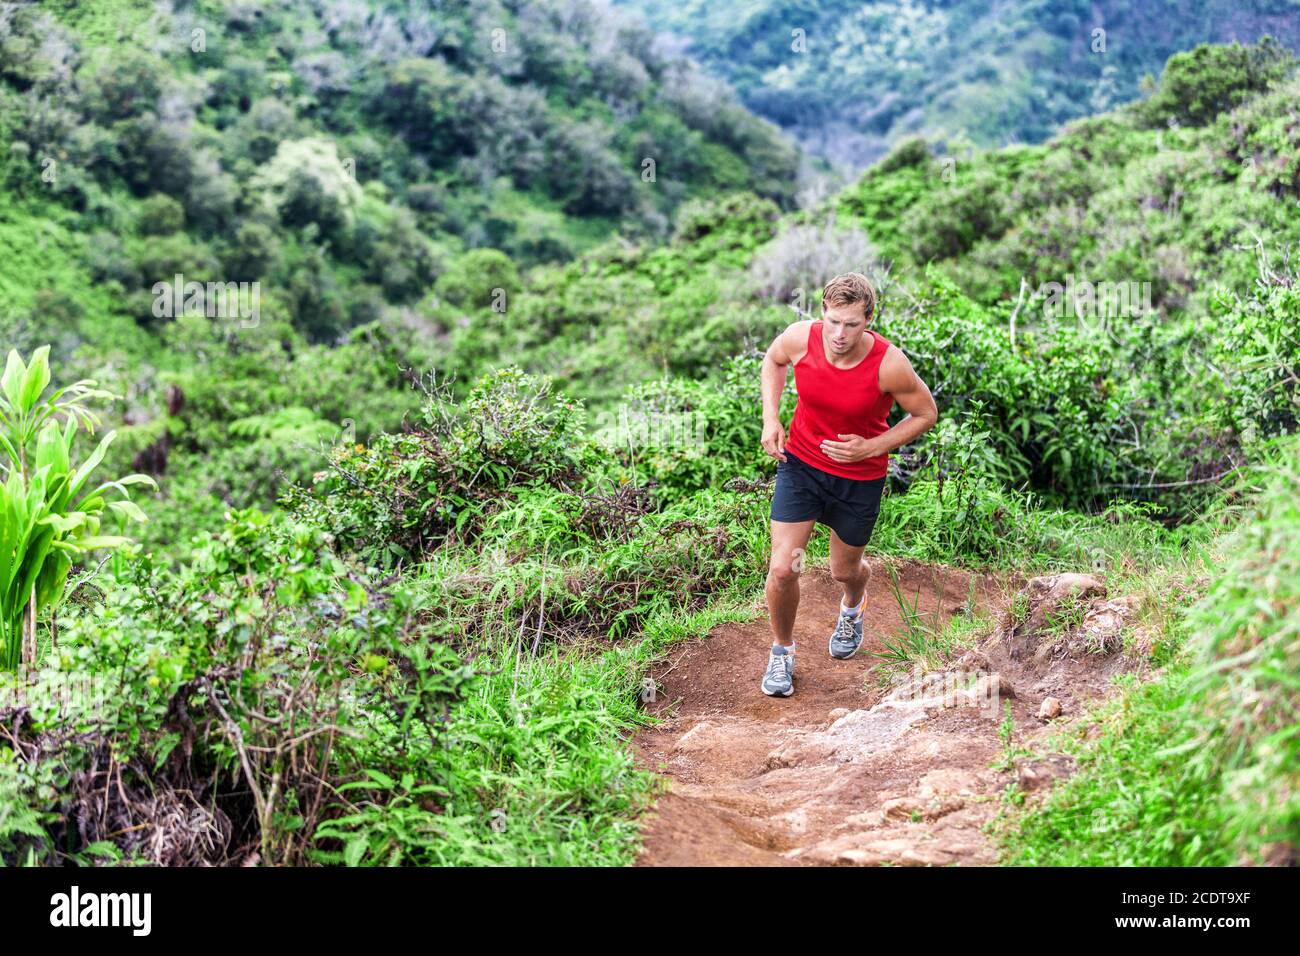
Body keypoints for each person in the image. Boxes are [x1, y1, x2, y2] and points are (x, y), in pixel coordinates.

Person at [758, 272, 938, 697]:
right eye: (834, 321)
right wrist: (771, 417)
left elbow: (926, 413)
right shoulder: (802, 339)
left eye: (852, 324)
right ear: (823, 312)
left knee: (844, 570)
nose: (840, 334)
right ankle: (782, 652)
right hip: (801, 466)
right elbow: (773, 360)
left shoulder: (889, 363)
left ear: (868, 320)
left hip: (858, 479)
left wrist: (871, 447)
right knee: (785, 567)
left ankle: (853, 607)